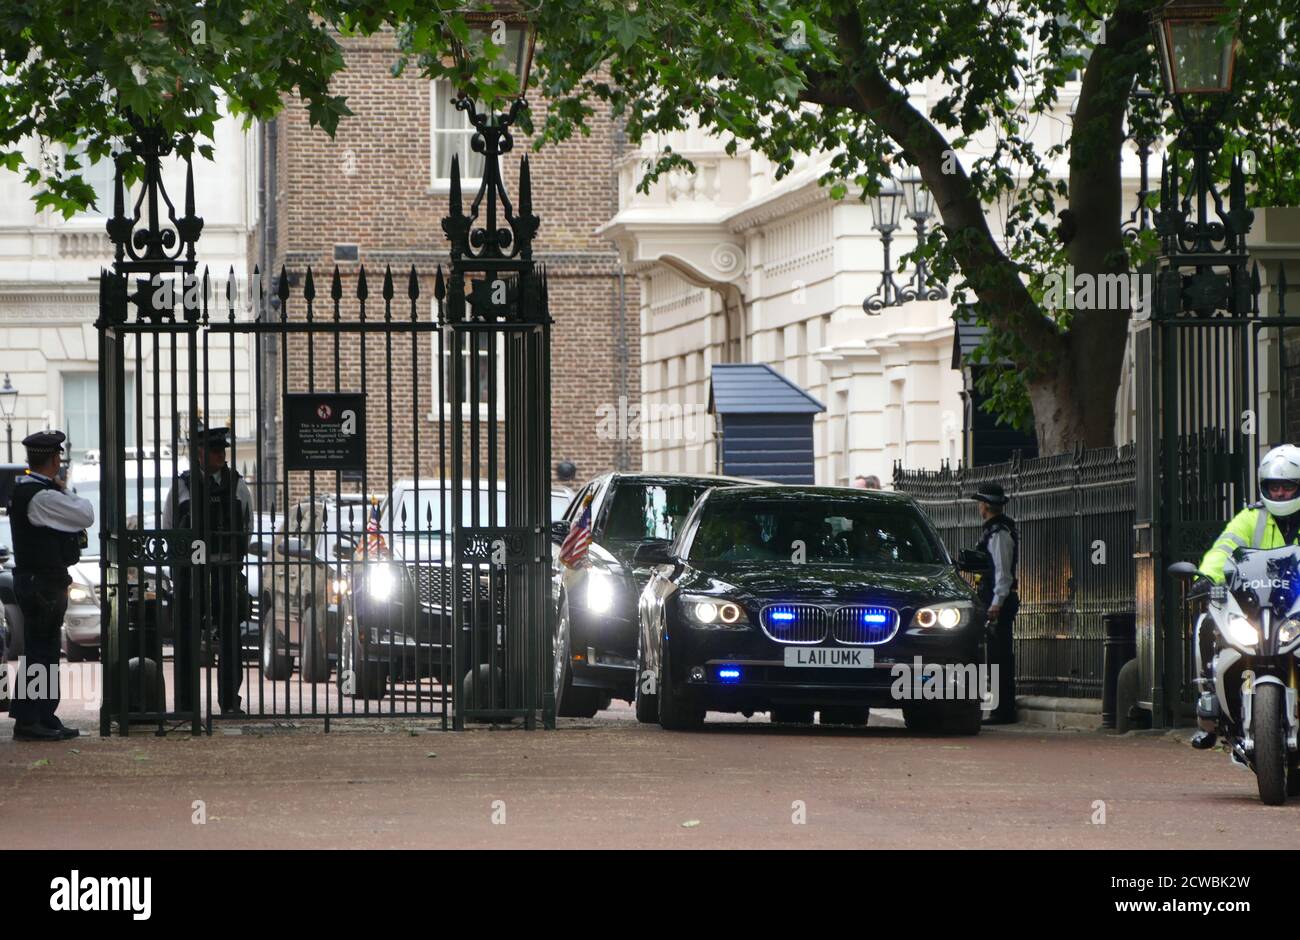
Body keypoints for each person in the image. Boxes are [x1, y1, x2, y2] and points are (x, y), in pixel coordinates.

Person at [1190, 444, 1300, 749]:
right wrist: (1208, 576)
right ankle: (1208, 708)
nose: (1279, 494)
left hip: (1295, 606)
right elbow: (1223, 549)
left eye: (1287, 487)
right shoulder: (1250, 518)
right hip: (1257, 604)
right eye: (1273, 487)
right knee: (1206, 623)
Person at [6, 430, 94, 741]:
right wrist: (65, 490)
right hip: (41, 584)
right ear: (55, 460)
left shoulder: (33, 492)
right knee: (39, 654)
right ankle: (31, 719)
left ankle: (42, 714)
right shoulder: (43, 496)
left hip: (41, 582)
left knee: (43, 653)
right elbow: (86, 514)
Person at [163, 427, 252, 716]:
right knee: (189, 636)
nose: (221, 455)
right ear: (199, 453)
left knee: (229, 638)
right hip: (192, 572)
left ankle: (229, 702)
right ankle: (187, 704)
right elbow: (169, 527)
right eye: (215, 450)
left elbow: (246, 526)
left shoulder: (237, 484)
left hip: (225, 567)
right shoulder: (182, 485)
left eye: (223, 450)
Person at [972, 482, 1018, 724]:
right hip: (994, 599)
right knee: (996, 657)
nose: (979, 507)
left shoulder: (998, 534)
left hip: (998, 602)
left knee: (999, 658)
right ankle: (1001, 707)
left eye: (980, 503)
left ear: (986, 506)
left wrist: (996, 603)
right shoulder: (994, 531)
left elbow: (1002, 573)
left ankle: (1003, 710)